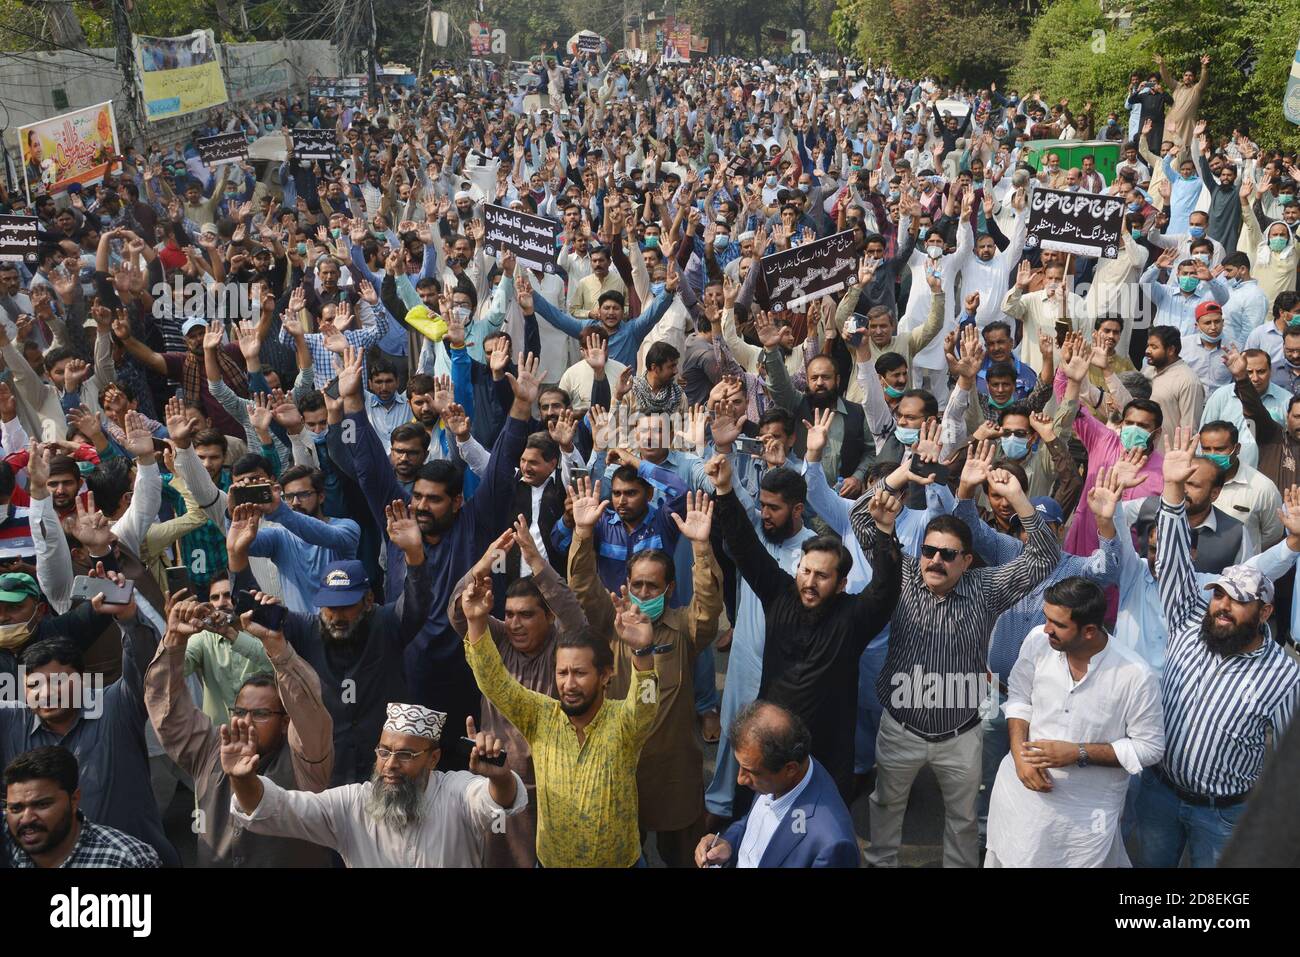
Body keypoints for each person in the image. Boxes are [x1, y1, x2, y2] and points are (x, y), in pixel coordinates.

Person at [852, 463, 1060, 868]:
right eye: (929, 551)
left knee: (963, 823)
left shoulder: (986, 587)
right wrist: (899, 474)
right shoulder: (903, 575)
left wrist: (1017, 497)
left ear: (966, 561)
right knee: (886, 808)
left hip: (961, 733)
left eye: (948, 555)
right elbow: (861, 516)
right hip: (900, 726)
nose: (935, 561)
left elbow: (1045, 556)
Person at [1137, 427, 1300, 867]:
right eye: (1220, 594)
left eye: (1239, 601)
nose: (1223, 607)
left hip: (1223, 817)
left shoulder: (1283, 675)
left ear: (1265, 613)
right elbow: (1170, 561)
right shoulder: (1190, 622)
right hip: (1159, 796)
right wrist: (1172, 492)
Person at [709, 453, 901, 802]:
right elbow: (745, 546)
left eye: (823, 576)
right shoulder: (780, 594)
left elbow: (886, 590)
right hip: (769, 744)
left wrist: (885, 532)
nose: (810, 583)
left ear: (842, 583)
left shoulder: (853, 617)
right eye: (806, 571)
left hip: (824, 752)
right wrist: (723, 490)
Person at [568, 484, 722, 866]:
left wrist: (701, 549)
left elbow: (709, 605)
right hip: (622, 769)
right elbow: (584, 586)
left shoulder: (685, 628)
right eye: (635, 584)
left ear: (669, 590)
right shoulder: (611, 621)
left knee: (683, 857)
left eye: (651, 586)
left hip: (674, 772)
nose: (641, 592)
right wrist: (583, 533)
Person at [461, 572, 660, 867]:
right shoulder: (541, 716)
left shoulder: (624, 723)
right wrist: (477, 621)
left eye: (579, 673)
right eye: (562, 673)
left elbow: (646, 703)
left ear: (605, 675)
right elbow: (495, 682)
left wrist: (642, 653)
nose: (568, 684)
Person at [145, 592, 335, 867]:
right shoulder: (210, 751)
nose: (245, 722)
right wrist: (174, 639)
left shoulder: (306, 762)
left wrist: (278, 651)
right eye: (240, 712)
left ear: (285, 722)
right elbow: (167, 710)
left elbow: (308, 708)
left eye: (260, 714)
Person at [984, 578, 1164, 868]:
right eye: (1046, 618)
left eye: (1058, 624)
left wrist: (1078, 752)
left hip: (1084, 819)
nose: (1046, 629)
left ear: (1090, 631)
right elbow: (1019, 697)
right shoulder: (1037, 641)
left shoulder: (1135, 675)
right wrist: (1019, 756)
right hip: (1022, 800)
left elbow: (1150, 747)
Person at [225, 702, 526, 867]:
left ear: (433, 759)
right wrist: (242, 780)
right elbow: (280, 809)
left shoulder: (456, 792)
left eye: (406, 755)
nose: (390, 765)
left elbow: (494, 801)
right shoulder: (352, 804)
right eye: (384, 752)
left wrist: (498, 777)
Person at [695, 701, 860, 868]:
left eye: (750, 771)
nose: (741, 779)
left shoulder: (831, 845)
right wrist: (729, 843)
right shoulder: (778, 769)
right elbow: (754, 821)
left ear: (790, 769)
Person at [4, 746, 161, 868]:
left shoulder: (126, 860)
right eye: (16, 809)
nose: (26, 819)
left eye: (42, 805)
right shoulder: (8, 846)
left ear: (74, 800)